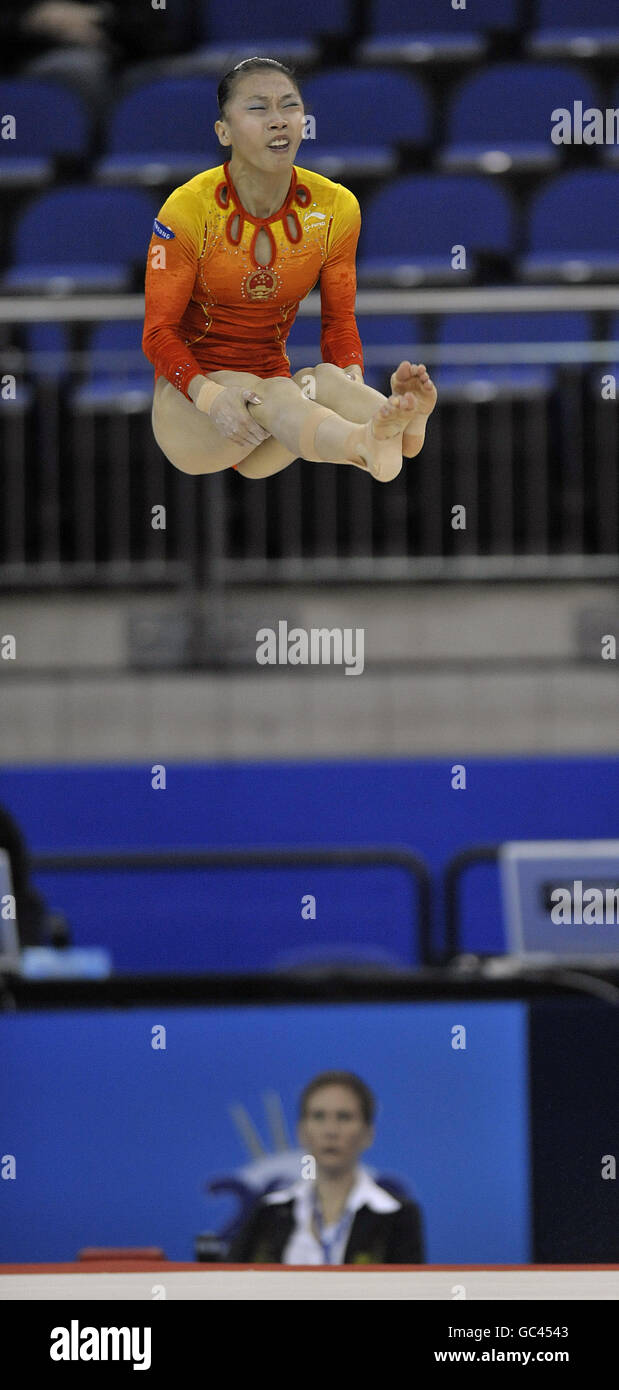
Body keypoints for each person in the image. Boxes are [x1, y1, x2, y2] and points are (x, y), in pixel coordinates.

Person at [142, 56, 437, 485]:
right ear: (223, 132)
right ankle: (365, 442)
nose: (278, 121)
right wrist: (212, 398)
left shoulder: (334, 207)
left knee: (325, 380)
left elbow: (339, 323)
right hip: (192, 409)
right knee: (281, 390)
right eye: (258, 108)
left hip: (275, 416)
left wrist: (349, 386)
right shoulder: (189, 208)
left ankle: (401, 430)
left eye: (290, 106)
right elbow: (157, 333)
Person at [228, 1070, 425, 1264]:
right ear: (302, 1132)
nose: (331, 1131)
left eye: (344, 1117)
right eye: (319, 1116)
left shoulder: (397, 1216)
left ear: (368, 1133)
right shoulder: (269, 1212)